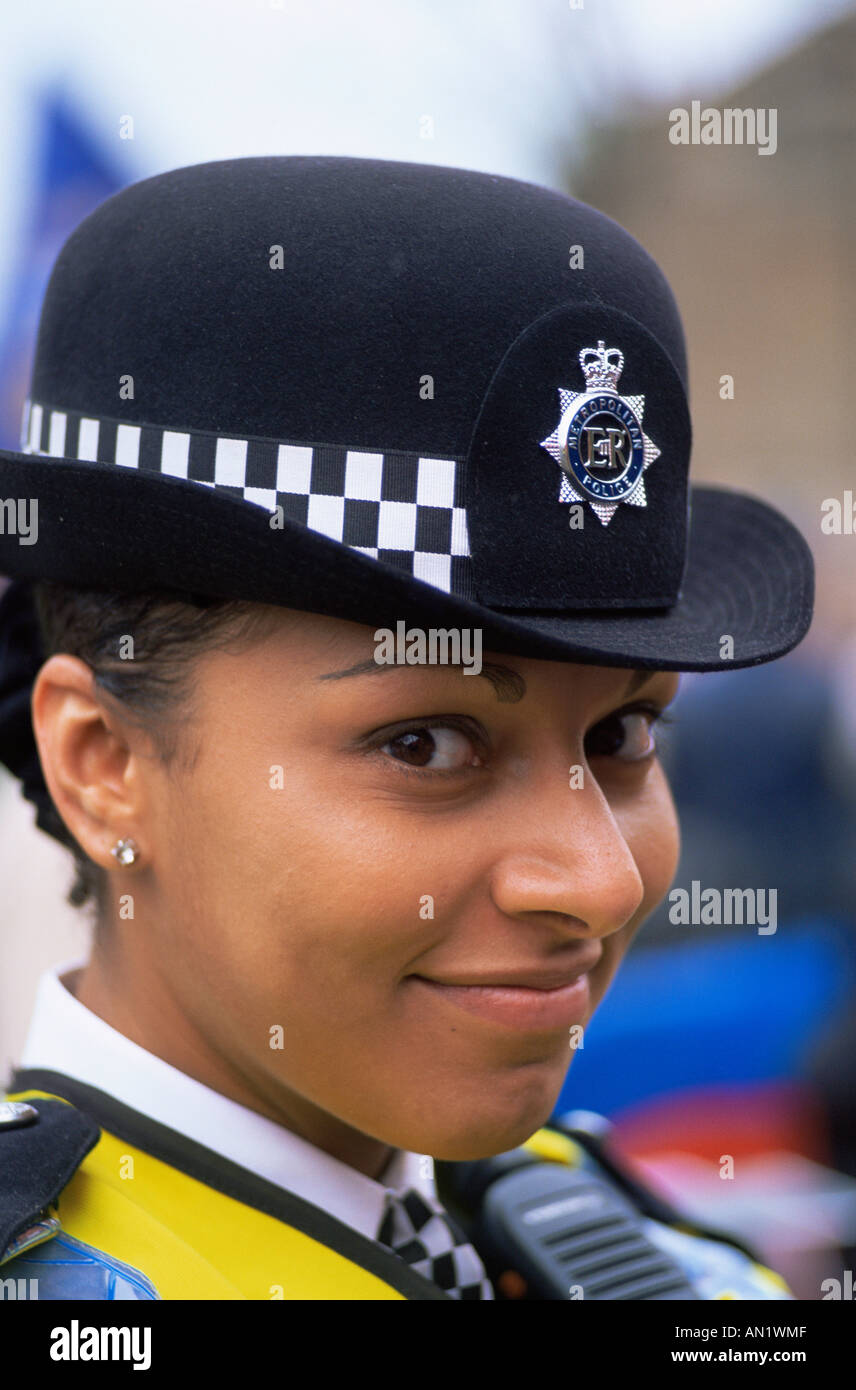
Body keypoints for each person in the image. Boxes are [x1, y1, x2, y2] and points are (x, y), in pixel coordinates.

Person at [0, 154, 812, 1301]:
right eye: (425, 744)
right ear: (103, 763)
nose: (596, 881)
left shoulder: (659, 1268)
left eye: (623, 735)